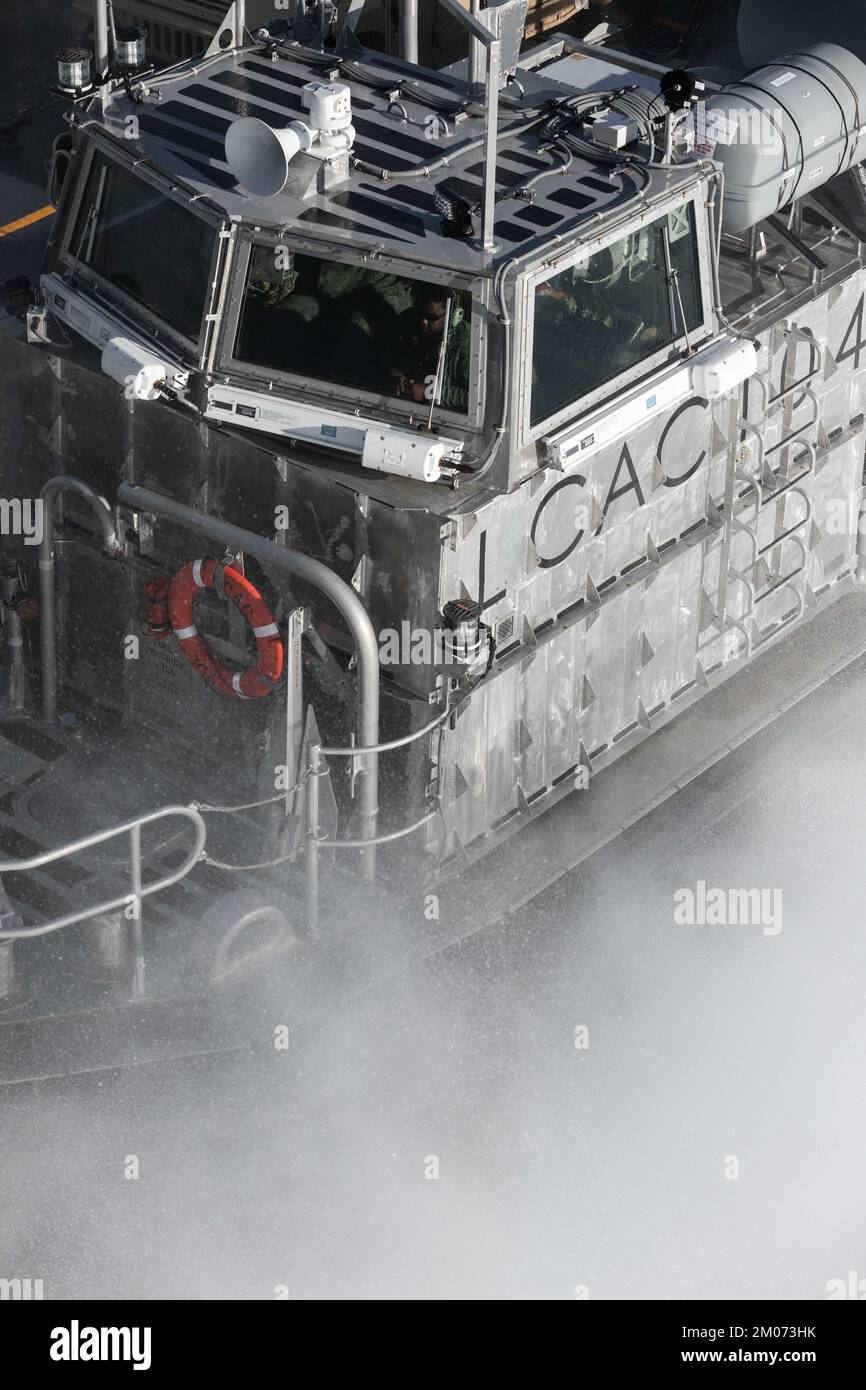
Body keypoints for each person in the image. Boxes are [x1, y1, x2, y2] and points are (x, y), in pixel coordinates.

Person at [388, 289, 471, 412]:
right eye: (420, 314)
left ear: (451, 315)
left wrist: (430, 392)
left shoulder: (466, 344)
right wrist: (398, 377)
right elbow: (388, 355)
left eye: (432, 317)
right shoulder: (409, 323)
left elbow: (474, 398)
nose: (423, 321)